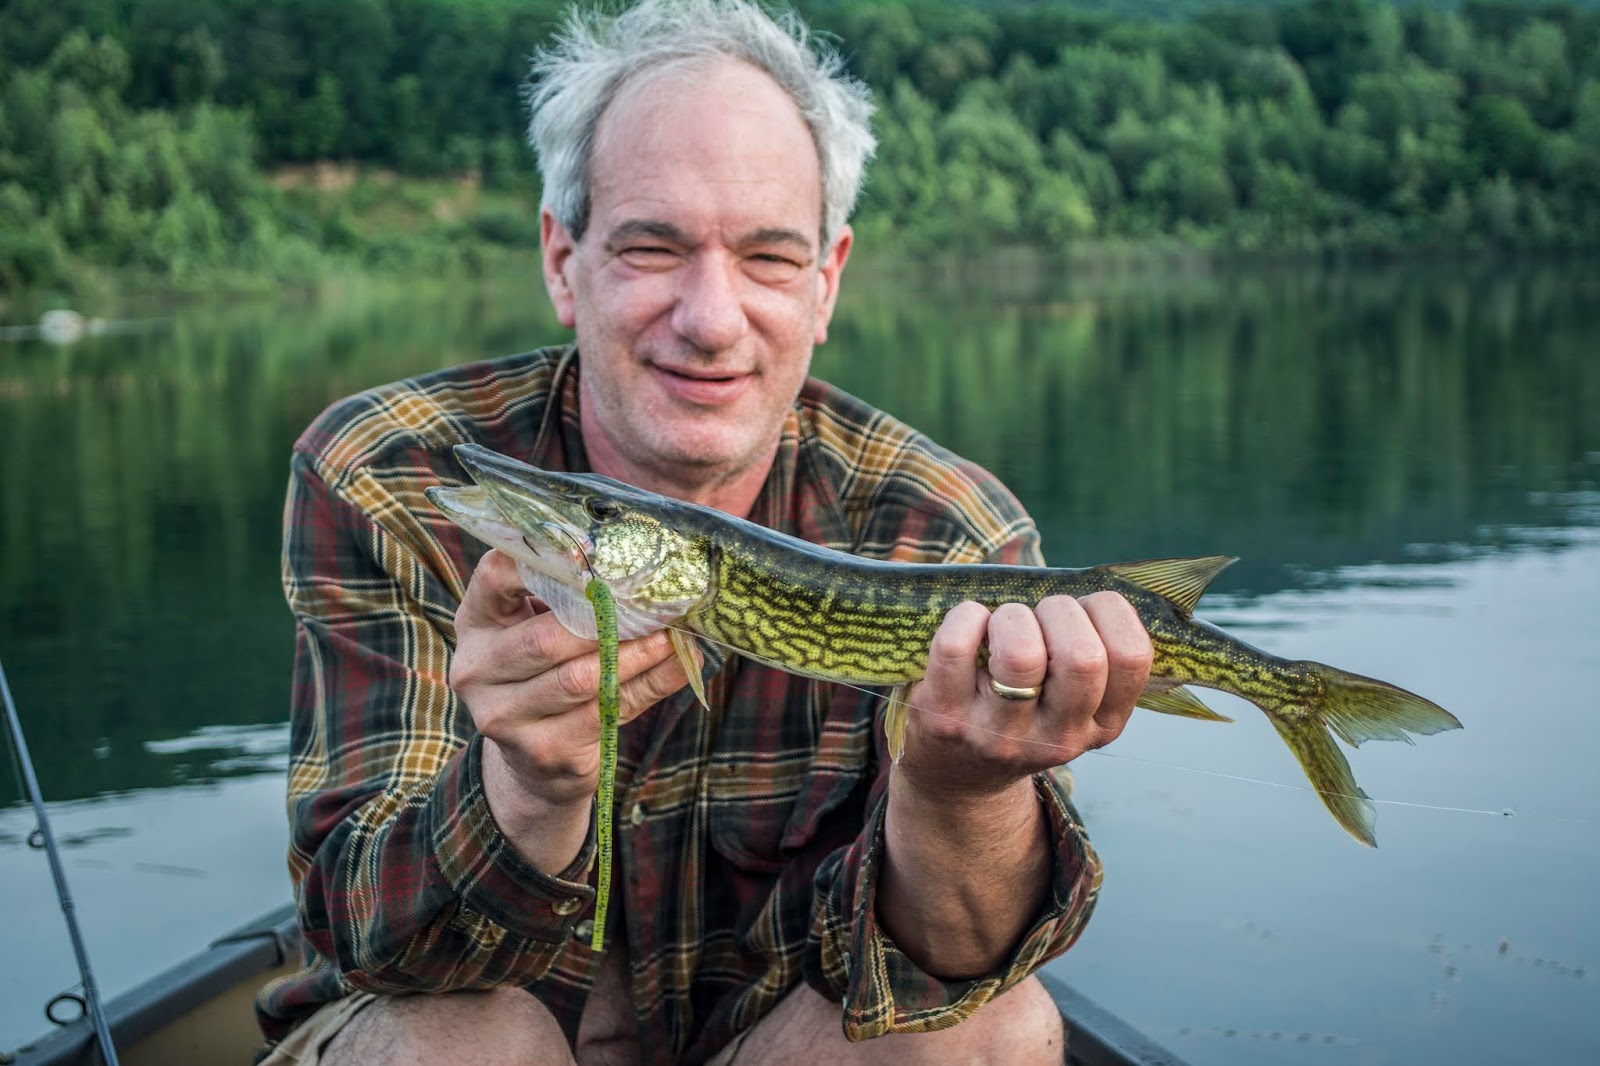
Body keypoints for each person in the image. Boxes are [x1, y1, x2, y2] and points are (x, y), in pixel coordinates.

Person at [256, 1, 1151, 1063]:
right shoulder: (393, 474)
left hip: (767, 1038)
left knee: (992, 1030)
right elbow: (364, 935)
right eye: (651, 245)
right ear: (561, 257)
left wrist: (957, 791)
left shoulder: (948, 531)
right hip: (465, 1020)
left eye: (769, 258)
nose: (711, 318)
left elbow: (955, 957)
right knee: (463, 1043)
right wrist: (525, 790)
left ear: (826, 283)